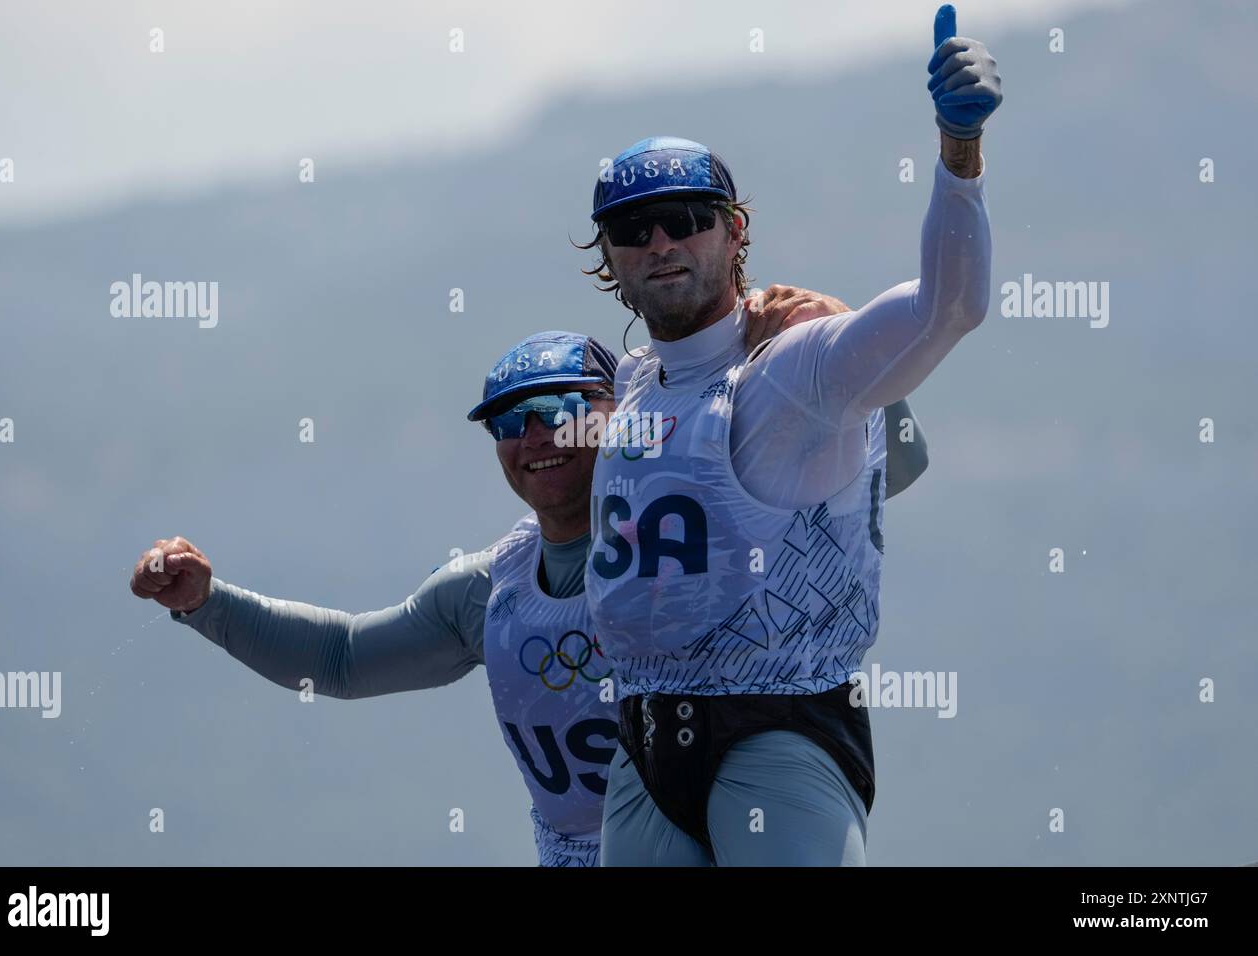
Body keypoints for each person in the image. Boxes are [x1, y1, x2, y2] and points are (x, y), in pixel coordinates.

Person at [127, 287, 921, 866]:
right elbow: (339, 659)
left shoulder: (728, 500)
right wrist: (205, 603)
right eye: (509, 421)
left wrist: (831, 326)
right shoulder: (489, 590)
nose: (536, 436)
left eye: (562, 408)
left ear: (625, 412)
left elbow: (901, 457)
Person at [582, 4, 1001, 865]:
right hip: (643, 734)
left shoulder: (793, 368)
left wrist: (959, 157)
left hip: (780, 728)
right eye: (633, 228)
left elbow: (946, 310)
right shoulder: (628, 387)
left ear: (735, 232)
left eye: (687, 217)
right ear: (609, 259)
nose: (661, 241)